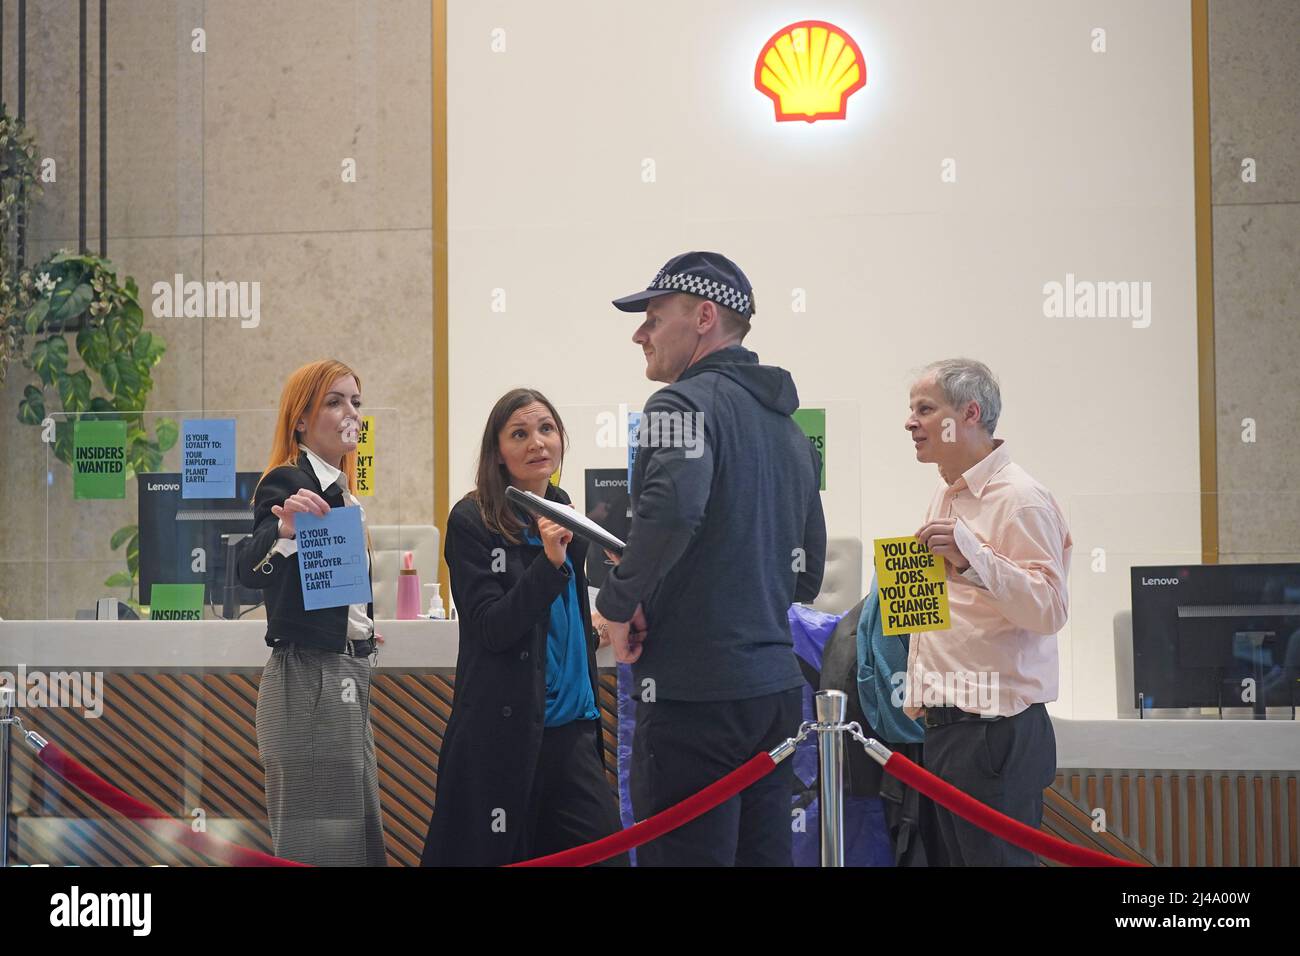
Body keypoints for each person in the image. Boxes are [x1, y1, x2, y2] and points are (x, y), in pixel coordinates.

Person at [594, 251, 827, 866]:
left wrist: (620, 601)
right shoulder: (790, 431)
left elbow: (671, 512)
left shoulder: (676, 407)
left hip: (694, 696)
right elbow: (808, 572)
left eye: (652, 315)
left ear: (703, 317)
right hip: (775, 692)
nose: (639, 332)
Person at [420, 388, 626, 866]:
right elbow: (493, 629)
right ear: (497, 453)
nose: (537, 442)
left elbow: (562, 623)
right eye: (520, 433)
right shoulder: (473, 520)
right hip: (505, 735)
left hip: (573, 730)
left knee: (606, 854)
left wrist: (600, 626)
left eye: (546, 429)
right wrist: (549, 564)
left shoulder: (565, 508)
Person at [905, 358, 1072, 865]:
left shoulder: (1020, 500)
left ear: (969, 413)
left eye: (925, 409)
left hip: (995, 732)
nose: (910, 422)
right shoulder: (944, 492)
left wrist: (974, 558)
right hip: (943, 728)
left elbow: (1049, 608)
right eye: (911, 410)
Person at [236, 359, 386, 866]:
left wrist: (364, 631)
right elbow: (246, 568)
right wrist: (282, 532)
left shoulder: (344, 492)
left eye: (356, 402)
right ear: (300, 419)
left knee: (355, 836)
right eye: (335, 401)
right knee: (321, 842)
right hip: (309, 675)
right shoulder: (287, 481)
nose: (351, 413)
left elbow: (339, 593)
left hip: (348, 671)